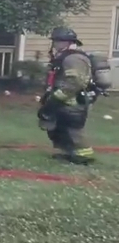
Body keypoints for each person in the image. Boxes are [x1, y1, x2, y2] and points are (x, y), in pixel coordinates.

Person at [39, 27, 96, 164]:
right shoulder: (63, 57)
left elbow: (74, 82)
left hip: (74, 100)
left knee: (73, 129)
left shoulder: (74, 58)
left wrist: (57, 98)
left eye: (57, 41)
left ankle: (84, 155)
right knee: (60, 127)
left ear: (66, 42)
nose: (55, 44)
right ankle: (67, 153)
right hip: (63, 99)